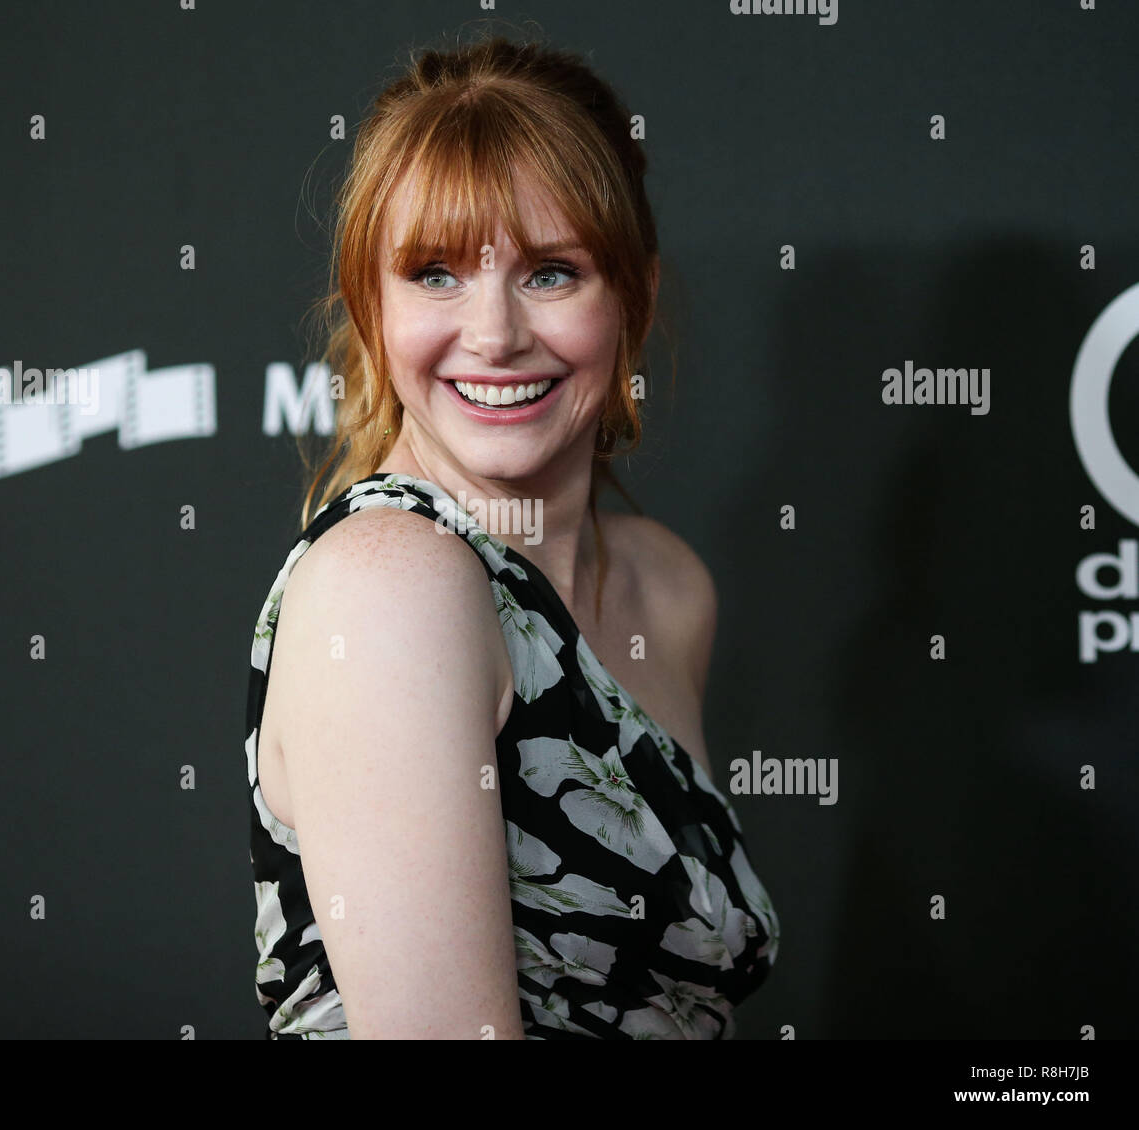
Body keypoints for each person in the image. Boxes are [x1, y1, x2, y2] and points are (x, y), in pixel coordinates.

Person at [245, 33, 779, 1039]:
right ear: (370, 306)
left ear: (634, 296)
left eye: (552, 272)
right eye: (435, 274)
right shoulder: (388, 585)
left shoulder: (667, 587)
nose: (494, 335)